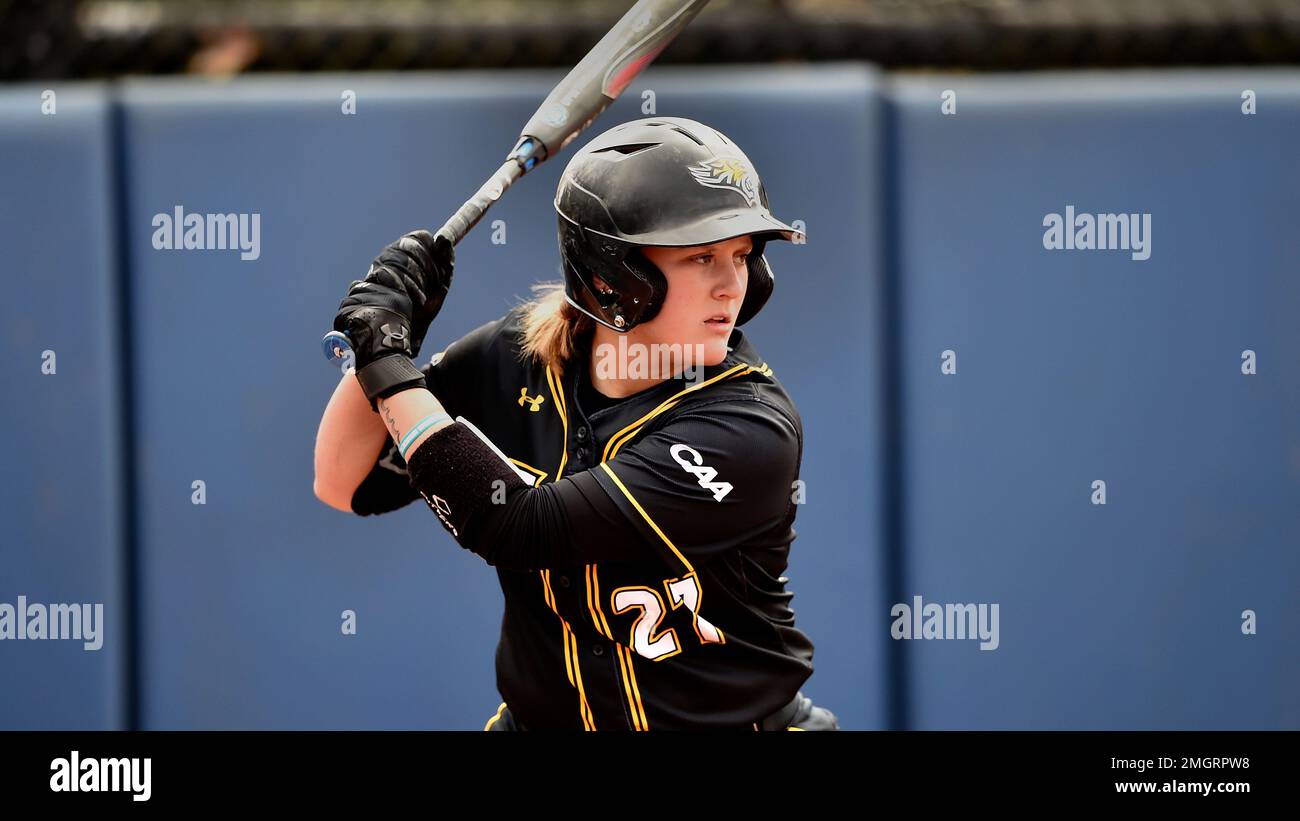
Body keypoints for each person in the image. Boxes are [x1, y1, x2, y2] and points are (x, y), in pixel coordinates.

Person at [313, 117, 838, 731]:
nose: (730, 284)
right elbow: (345, 484)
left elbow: (518, 527)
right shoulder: (514, 358)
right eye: (701, 257)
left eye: (742, 256)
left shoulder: (747, 427)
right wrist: (383, 348)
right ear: (609, 275)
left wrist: (388, 365)